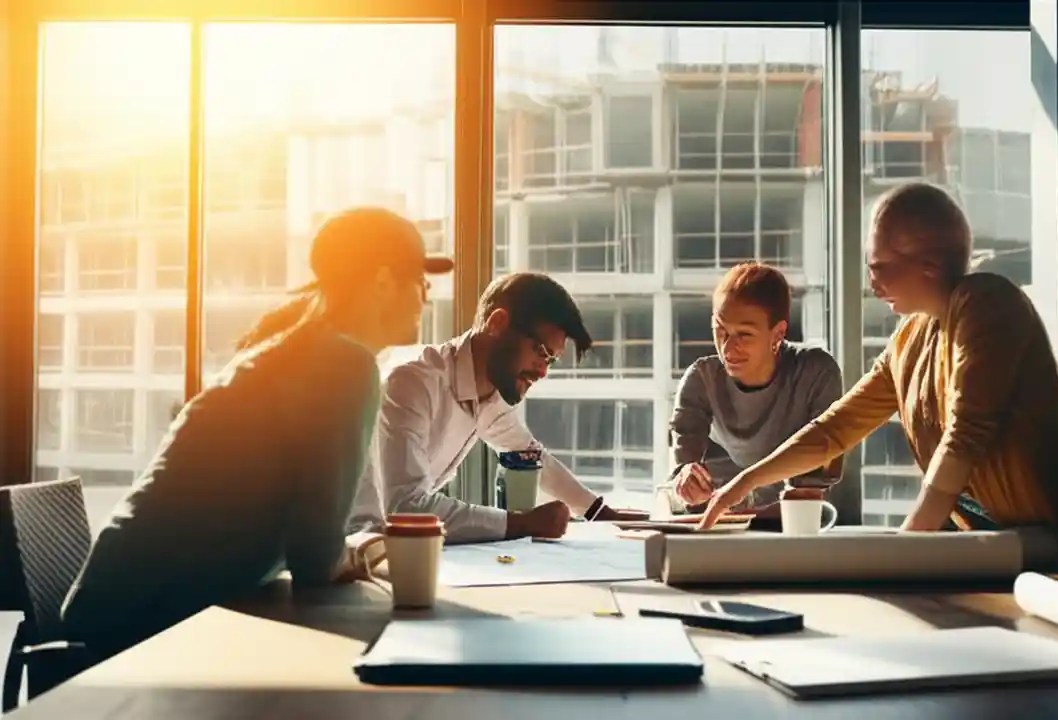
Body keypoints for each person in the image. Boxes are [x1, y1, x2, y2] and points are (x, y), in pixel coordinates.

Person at [62, 207, 451, 661]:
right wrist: (359, 556)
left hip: (119, 613)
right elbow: (315, 561)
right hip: (138, 638)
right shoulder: (343, 367)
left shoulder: (298, 353)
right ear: (382, 281)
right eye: (420, 280)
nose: (426, 296)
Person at [698, 183, 1058, 566]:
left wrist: (906, 549)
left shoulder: (988, 302)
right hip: (997, 549)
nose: (872, 284)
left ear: (927, 264)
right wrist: (745, 482)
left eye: (878, 268)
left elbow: (966, 434)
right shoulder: (909, 338)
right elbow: (836, 428)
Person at [347, 272, 647, 544]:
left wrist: (600, 513)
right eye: (540, 352)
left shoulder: (489, 398)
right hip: (349, 556)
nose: (542, 372)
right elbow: (406, 508)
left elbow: (533, 456)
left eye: (551, 361)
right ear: (497, 323)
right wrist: (522, 523)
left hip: (389, 554)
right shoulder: (414, 383)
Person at [668, 262, 843, 513]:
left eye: (744, 335)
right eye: (721, 331)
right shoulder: (702, 379)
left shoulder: (816, 373)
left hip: (797, 518)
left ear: (778, 333)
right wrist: (687, 482)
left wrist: (749, 510)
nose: (727, 349)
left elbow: (814, 485)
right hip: (720, 517)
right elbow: (680, 471)